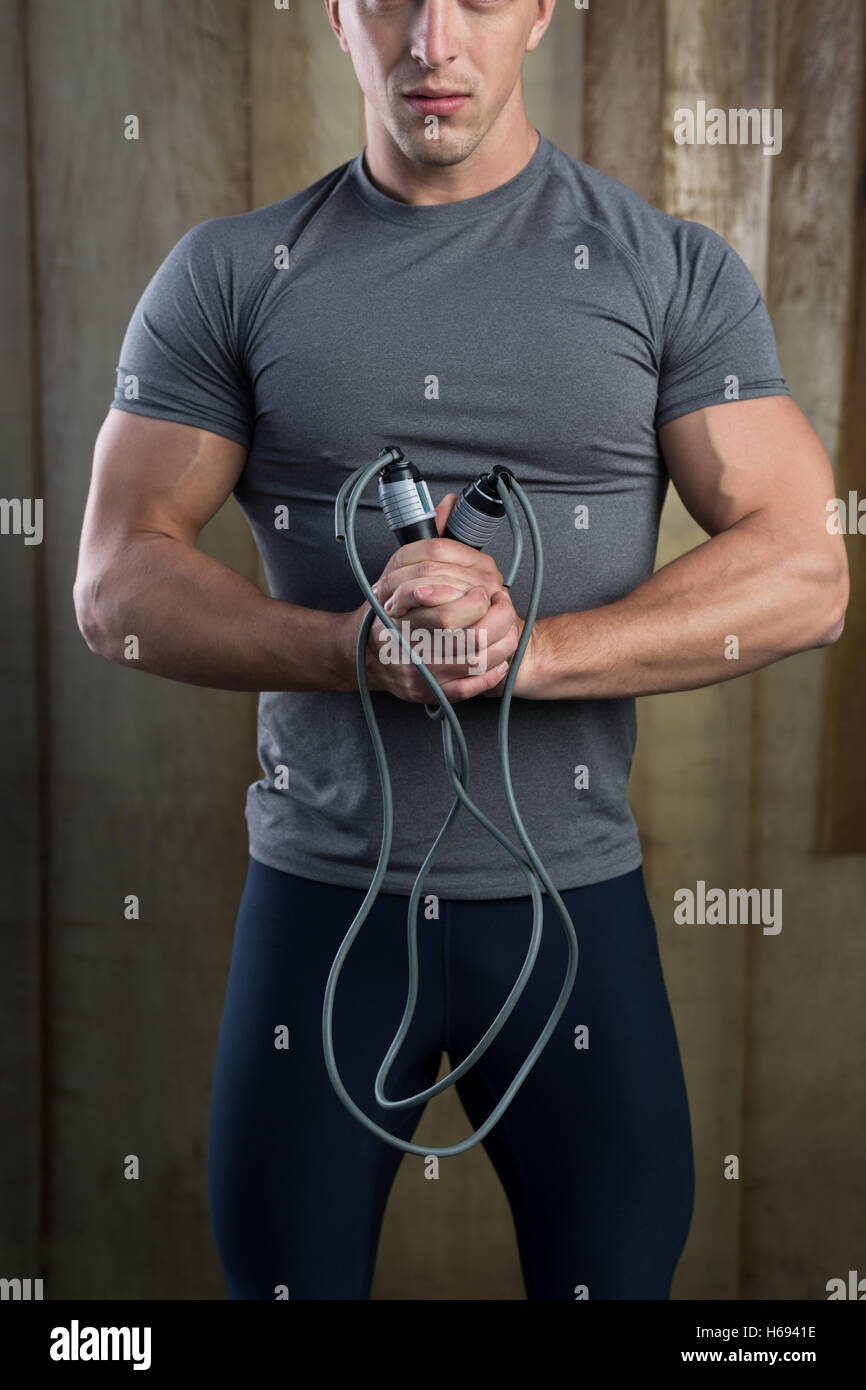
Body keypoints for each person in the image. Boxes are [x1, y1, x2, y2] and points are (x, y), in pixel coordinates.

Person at [73, 0, 848, 1300]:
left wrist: (523, 648)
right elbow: (113, 577)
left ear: (541, 8)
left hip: (570, 906)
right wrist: (351, 647)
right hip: (323, 904)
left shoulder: (667, 269)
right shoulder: (227, 274)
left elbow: (806, 570)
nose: (431, 39)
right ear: (336, 13)